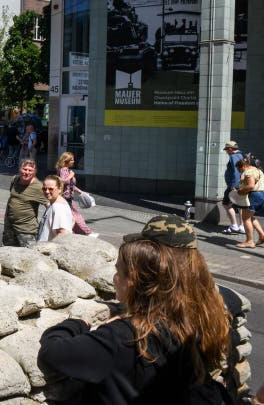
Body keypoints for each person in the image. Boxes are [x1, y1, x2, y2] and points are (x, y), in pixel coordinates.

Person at [38, 215, 231, 404]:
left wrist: (77, 324)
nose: (113, 278)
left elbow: (52, 354)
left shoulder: (123, 337)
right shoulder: (202, 312)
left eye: (118, 272)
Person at [2, 160, 48, 247]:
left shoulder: (38, 187)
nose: (27, 172)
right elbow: (11, 198)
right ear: (20, 169)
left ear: (34, 172)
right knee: (9, 255)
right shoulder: (15, 180)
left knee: (27, 257)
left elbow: (49, 205)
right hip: (10, 227)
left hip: (26, 231)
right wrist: (6, 216)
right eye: (25, 169)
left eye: (30, 170)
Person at [56, 151, 93, 236]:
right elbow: (63, 181)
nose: (73, 161)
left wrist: (80, 191)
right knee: (76, 216)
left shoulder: (67, 170)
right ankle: (86, 232)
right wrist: (71, 175)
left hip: (68, 198)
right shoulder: (63, 170)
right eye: (71, 160)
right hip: (65, 199)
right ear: (66, 161)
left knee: (72, 216)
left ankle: (74, 232)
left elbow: (70, 185)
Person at [234, 156, 264, 248]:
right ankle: (262, 235)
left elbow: (251, 186)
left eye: (239, 170)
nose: (240, 172)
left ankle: (249, 241)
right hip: (261, 195)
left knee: (245, 218)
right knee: (250, 217)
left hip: (253, 195)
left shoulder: (249, 171)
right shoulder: (258, 170)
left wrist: (239, 192)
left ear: (243, 166)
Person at [221, 141, 245, 235]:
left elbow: (236, 172)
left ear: (230, 149)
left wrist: (234, 186)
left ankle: (234, 225)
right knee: (241, 206)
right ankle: (242, 227)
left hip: (234, 185)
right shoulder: (241, 156)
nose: (226, 151)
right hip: (242, 185)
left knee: (226, 204)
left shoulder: (233, 157)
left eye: (227, 149)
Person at [39, 175, 72, 242]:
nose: (47, 191)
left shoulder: (58, 207)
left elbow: (63, 234)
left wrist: (47, 248)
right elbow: (73, 220)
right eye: (44, 189)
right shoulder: (54, 204)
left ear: (59, 189)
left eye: (51, 189)